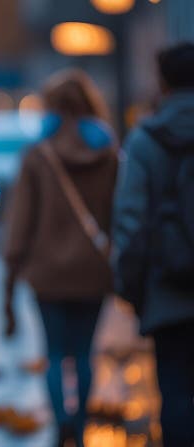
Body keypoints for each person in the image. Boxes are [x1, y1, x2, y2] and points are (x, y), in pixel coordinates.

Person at [2, 70, 118, 447]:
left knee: (54, 354)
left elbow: (20, 225)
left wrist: (9, 283)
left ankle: (60, 427)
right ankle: (80, 429)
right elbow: (121, 214)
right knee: (84, 353)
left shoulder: (38, 156)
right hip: (94, 270)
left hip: (47, 273)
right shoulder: (109, 154)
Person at [112, 42, 194, 446]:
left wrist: (131, 288)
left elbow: (130, 223)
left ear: (162, 84)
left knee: (176, 395)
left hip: (168, 292)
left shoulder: (145, 141)